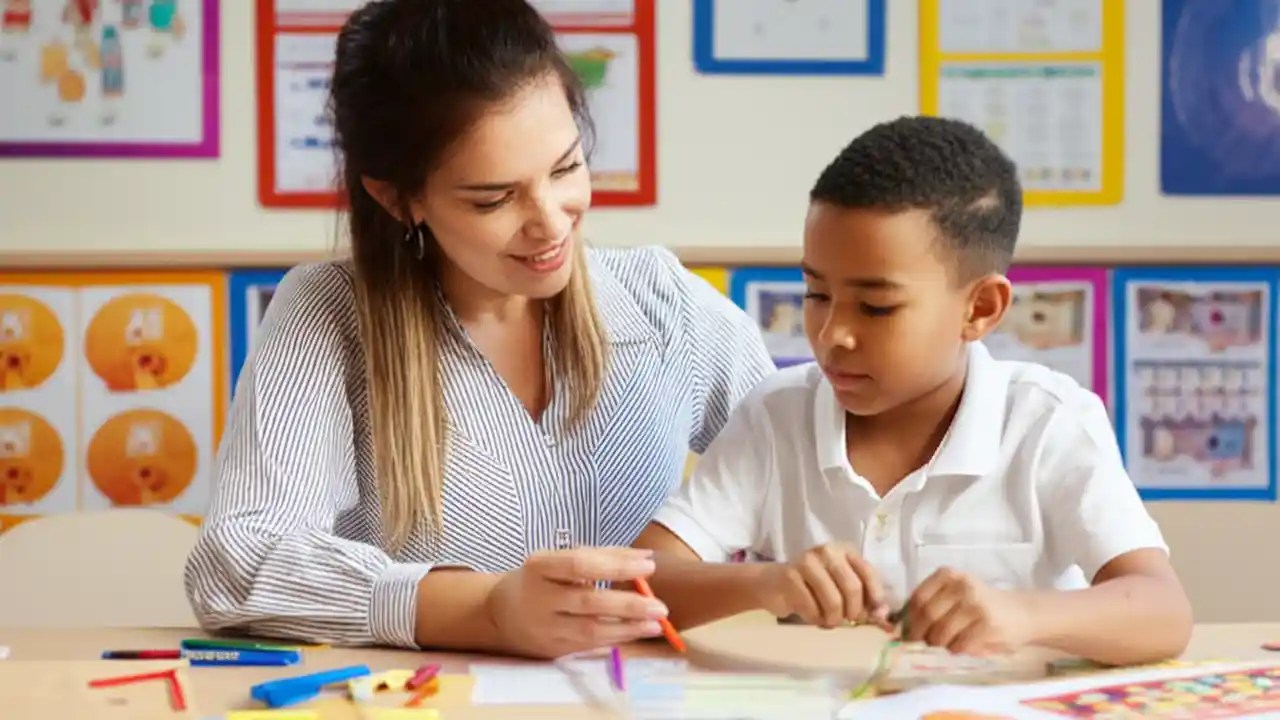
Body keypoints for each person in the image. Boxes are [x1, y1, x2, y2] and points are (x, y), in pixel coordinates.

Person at [183, 0, 774, 659]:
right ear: (397, 197)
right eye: (493, 198)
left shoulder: (661, 303)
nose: (550, 222)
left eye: (566, 168)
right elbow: (236, 565)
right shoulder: (328, 317)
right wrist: (488, 610)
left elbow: (819, 467)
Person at [633, 116, 1194, 667]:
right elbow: (642, 582)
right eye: (815, 294)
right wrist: (764, 584)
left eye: (876, 307)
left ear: (979, 309)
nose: (832, 335)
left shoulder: (1046, 421)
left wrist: (1024, 616)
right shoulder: (777, 416)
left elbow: (1163, 611)